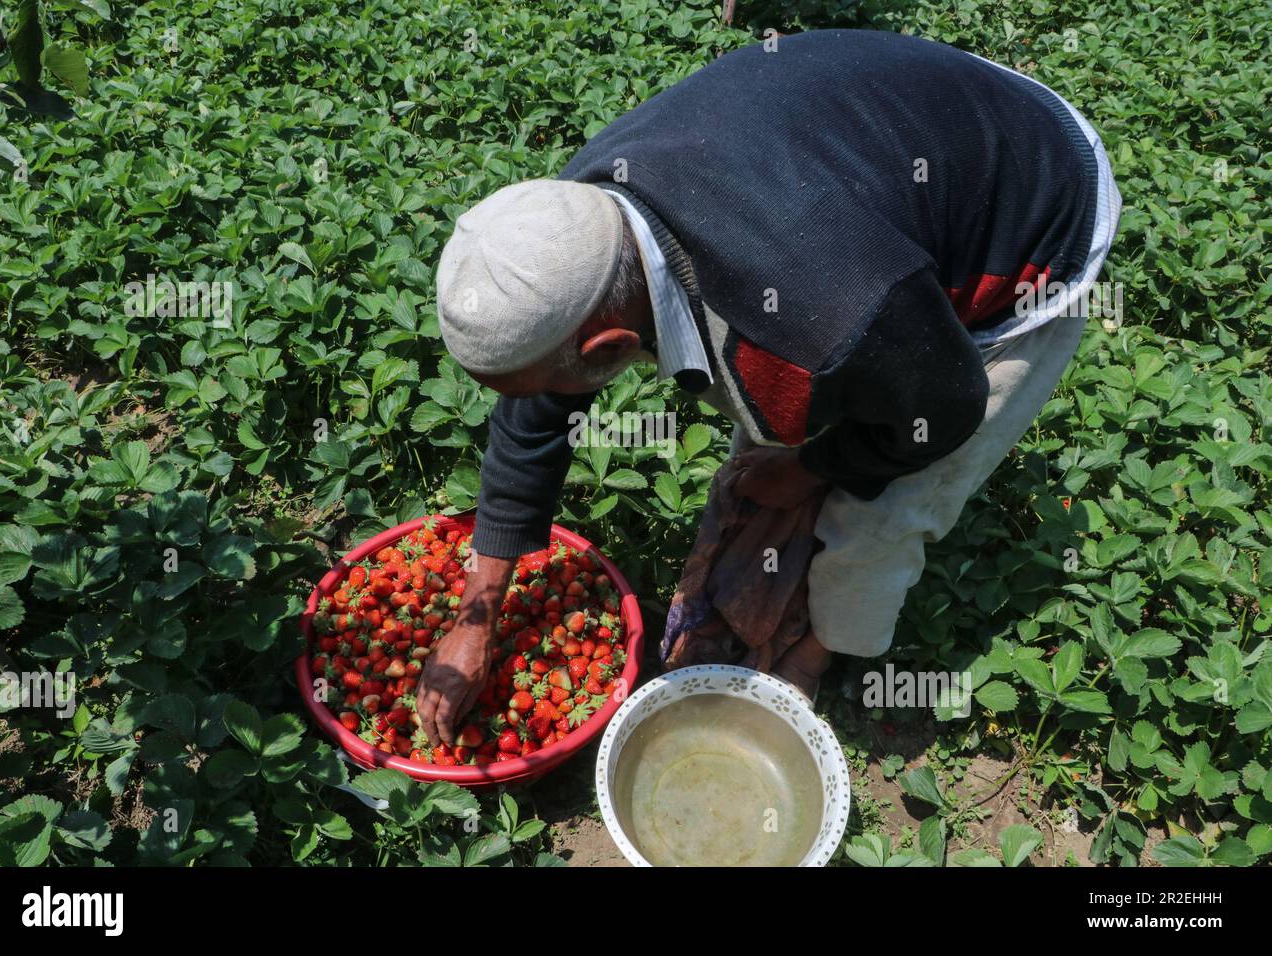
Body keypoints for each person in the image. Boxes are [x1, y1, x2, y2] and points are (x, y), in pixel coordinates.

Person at [415, 28, 1121, 746]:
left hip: (1030, 204)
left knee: (892, 502)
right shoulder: (569, 234)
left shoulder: (834, 308)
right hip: (890, 135)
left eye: (537, 384)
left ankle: (806, 664)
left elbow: (944, 409)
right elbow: (538, 412)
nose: (530, 402)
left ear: (612, 346)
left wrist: (815, 466)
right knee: (782, 409)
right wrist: (479, 614)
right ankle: (783, 557)